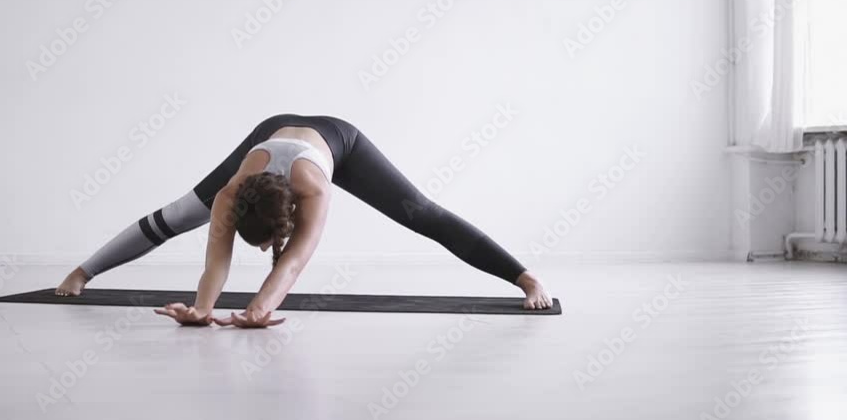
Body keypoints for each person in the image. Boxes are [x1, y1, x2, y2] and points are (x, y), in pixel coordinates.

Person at [55, 114, 552, 327]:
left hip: (338, 141)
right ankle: (82, 271)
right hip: (269, 132)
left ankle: (525, 276)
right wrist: (203, 309)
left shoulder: (313, 191)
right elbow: (215, 263)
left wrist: (258, 310)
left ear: (288, 218)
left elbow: (291, 265)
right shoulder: (230, 193)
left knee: (423, 214)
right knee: (181, 213)